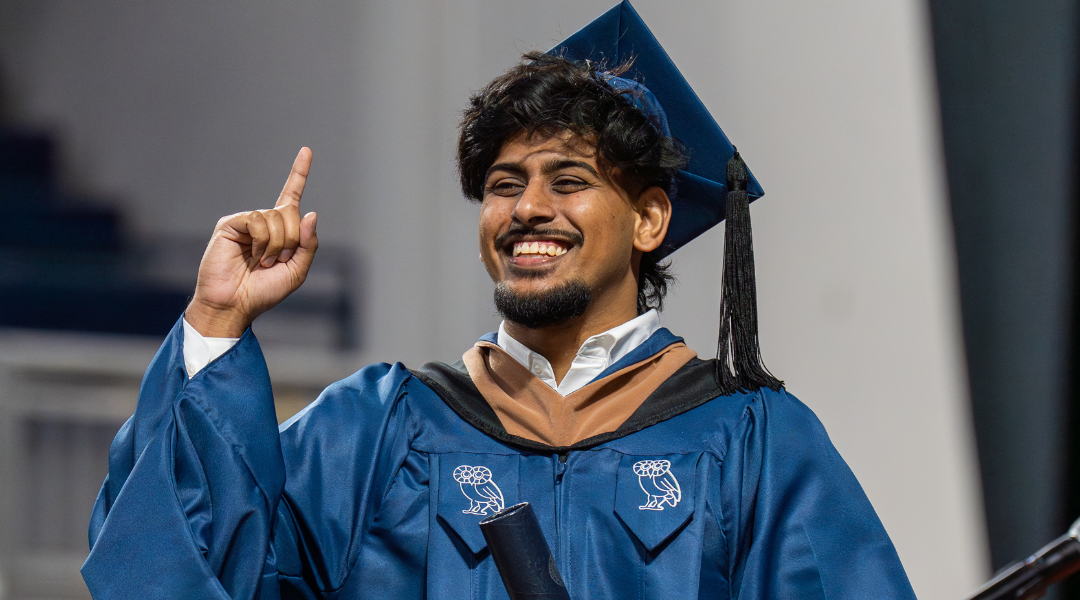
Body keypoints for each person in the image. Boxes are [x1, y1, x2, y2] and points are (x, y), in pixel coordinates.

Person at [82, 2, 916, 598]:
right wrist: (217, 323)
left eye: (570, 180)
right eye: (503, 184)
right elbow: (174, 568)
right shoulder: (377, 431)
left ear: (650, 218)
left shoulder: (754, 443)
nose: (526, 210)